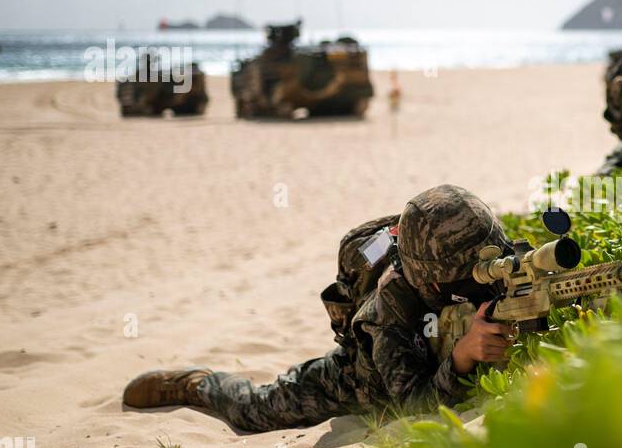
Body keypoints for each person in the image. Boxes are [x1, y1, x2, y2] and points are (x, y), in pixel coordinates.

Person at [122, 185, 514, 432]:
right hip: (358, 382)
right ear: (431, 281)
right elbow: (414, 405)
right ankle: (199, 384)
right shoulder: (388, 312)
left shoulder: (487, 255)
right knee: (254, 409)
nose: (479, 281)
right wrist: (462, 357)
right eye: (464, 278)